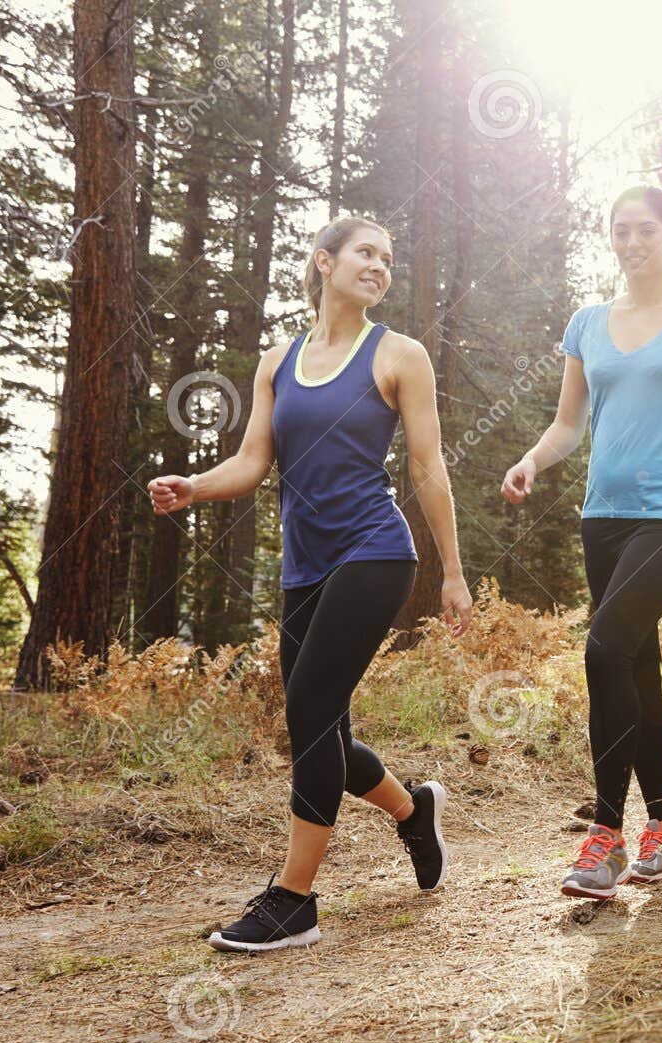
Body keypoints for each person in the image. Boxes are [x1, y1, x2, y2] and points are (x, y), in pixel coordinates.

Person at [148, 216, 474, 951]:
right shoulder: (278, 360)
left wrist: (453, 571)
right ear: (324, 262)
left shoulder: (399, 354)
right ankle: (413, 808)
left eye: (389, 258)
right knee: (322, 724)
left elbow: (427, 467)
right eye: (366, 252)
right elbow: (252, 461)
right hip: (306, 564)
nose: (380, 266)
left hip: (376, 550)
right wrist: (194, 486)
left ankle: (294, 900)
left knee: (309, 709)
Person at [502, 185, 662, 900]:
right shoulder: (587, 321)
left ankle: (607, 836)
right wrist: (530, 460)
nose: (632, 241)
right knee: (637, 667)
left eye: (646, 229)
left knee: (603, 646)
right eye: (620, 231)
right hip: (604, 514)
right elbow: (567, 425)